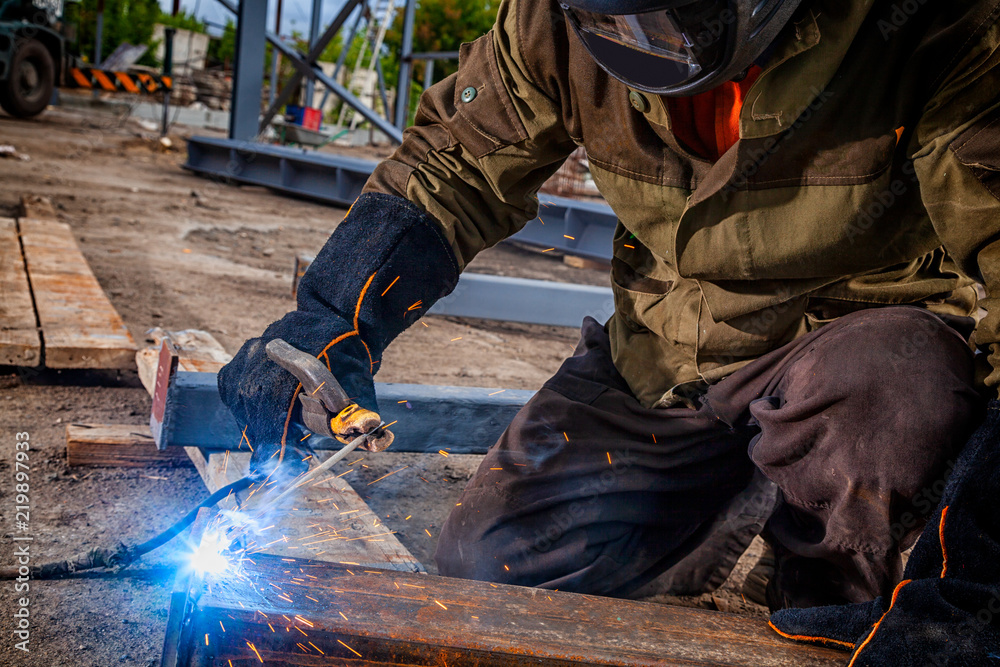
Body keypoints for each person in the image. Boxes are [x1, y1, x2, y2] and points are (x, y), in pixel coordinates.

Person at [218, 0, 1000, 662]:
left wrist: (981, 574)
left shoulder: (935, 25)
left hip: (853, 351)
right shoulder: (555, 18)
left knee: (899, 380)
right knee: (486, 559)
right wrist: (329, 315)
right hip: (669, 350)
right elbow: (454, 168)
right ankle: (723, 500)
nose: (634, 38)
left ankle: (819, 582)